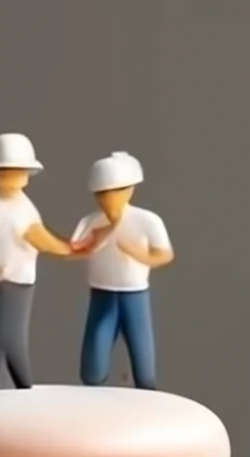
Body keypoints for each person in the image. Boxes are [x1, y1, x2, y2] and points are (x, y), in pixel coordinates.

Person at [0, 133, 101, 391]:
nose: (18, 175)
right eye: (12, 170)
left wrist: (72, 249)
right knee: (1, 334)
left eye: (22, 170)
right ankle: (4, 385)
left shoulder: (21, 205)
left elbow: (37, 236)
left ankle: (15, 384)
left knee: (10, 334)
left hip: (22, 278)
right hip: (2, 280)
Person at [72, 151, 174, 390]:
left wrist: (137, 254)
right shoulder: (91, 222)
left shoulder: (147, 221)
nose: (106, 199)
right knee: (92, 370)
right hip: (101, 295)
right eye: (101, 194)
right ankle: (95, 410)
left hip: (134, 296)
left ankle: (147, 407)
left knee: (144, 368)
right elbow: (74, 250)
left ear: (129, 190)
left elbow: (165, 254)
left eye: (114, 192)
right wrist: (100, 237)